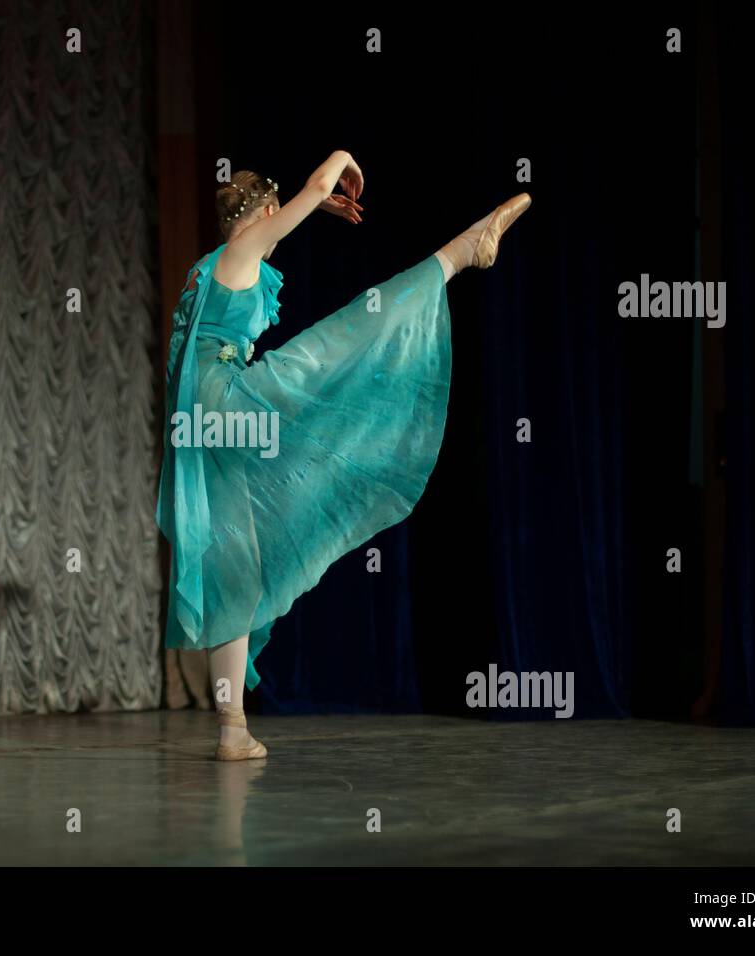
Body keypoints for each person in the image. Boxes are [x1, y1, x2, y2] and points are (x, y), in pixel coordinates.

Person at [156, 150, 530, 760]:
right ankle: (458, 254)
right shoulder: (243, 249)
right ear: (265, 212)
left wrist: (311, 203)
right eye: (278, 215)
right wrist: (341, 163)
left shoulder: (207, 268)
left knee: (235, 568)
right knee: (340, 347)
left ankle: (232, 729)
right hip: (225, 403)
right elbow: (313, 185)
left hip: (200, 419)